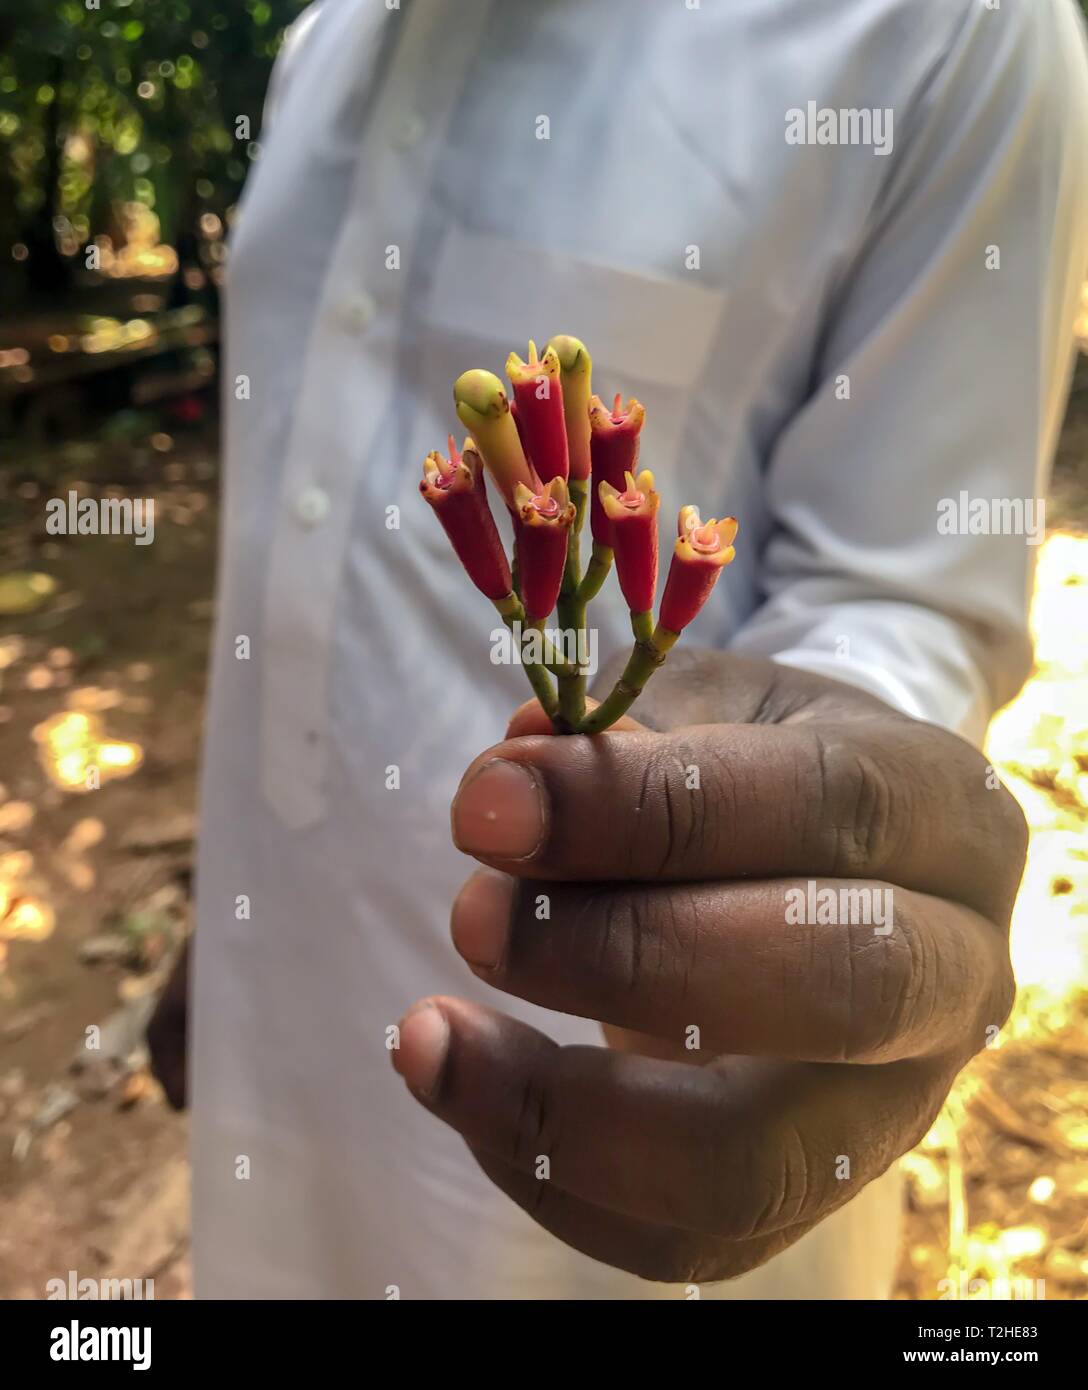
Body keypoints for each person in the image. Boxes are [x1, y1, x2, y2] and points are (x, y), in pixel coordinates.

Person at [149, 0, 1088, 1298]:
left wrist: (835, 856)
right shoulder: (329, 40)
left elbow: (908, 602)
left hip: (613, 1128)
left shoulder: (956, 31)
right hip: (278, 1077)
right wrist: (236, 913)